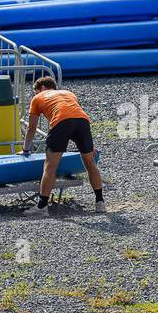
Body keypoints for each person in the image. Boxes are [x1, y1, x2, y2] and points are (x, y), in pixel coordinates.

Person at [22, 76, 106, 215]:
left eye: (36, 91)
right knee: (90, 163)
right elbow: (74, 116)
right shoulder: (68, 93)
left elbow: (31, 128)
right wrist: (89, 147)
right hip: (83, 122)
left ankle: (42, 207)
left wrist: (26, 150)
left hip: (61, 122)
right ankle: (100, 202)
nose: (36, 94)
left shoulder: (38, 98)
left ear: (42, 88)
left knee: (50, 166)